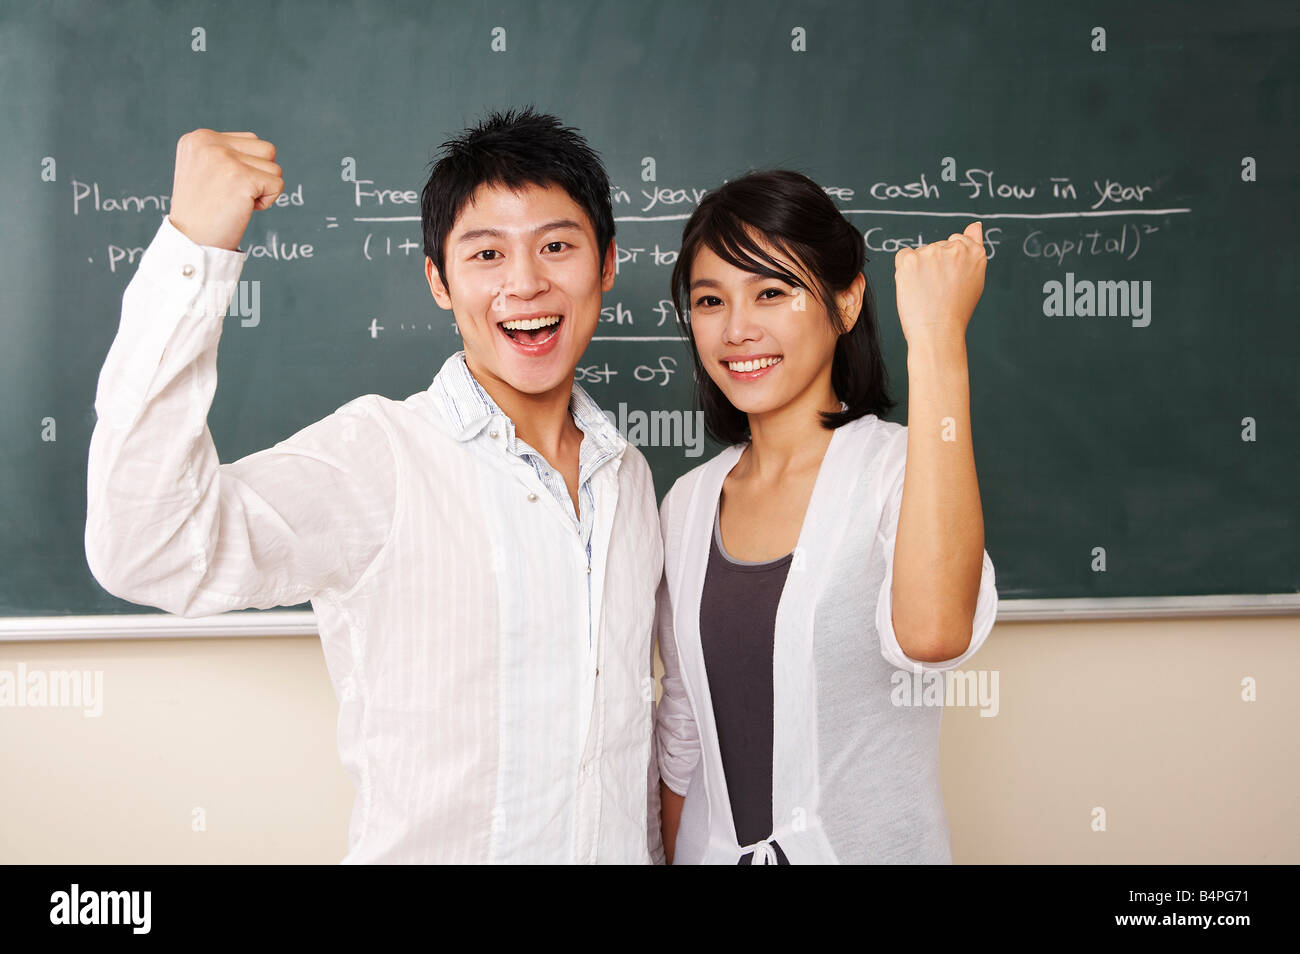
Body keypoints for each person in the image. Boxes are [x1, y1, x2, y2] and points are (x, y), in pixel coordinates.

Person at [85, 108, 665, 864]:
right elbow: (147, 548)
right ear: (438, 281)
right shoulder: (381, 456)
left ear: (607, 264)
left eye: (557, 246)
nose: (525, 281)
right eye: (486, 254)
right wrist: (195, 248)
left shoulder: (629, 475)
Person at [654, 169, 998, 864]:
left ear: (845, 303)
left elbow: (931, 635)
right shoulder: (687, 501)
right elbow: (683, 729)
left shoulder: (897, 470)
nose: (738, 329)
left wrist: (936, 339)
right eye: (710, 301)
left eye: (773, 292)